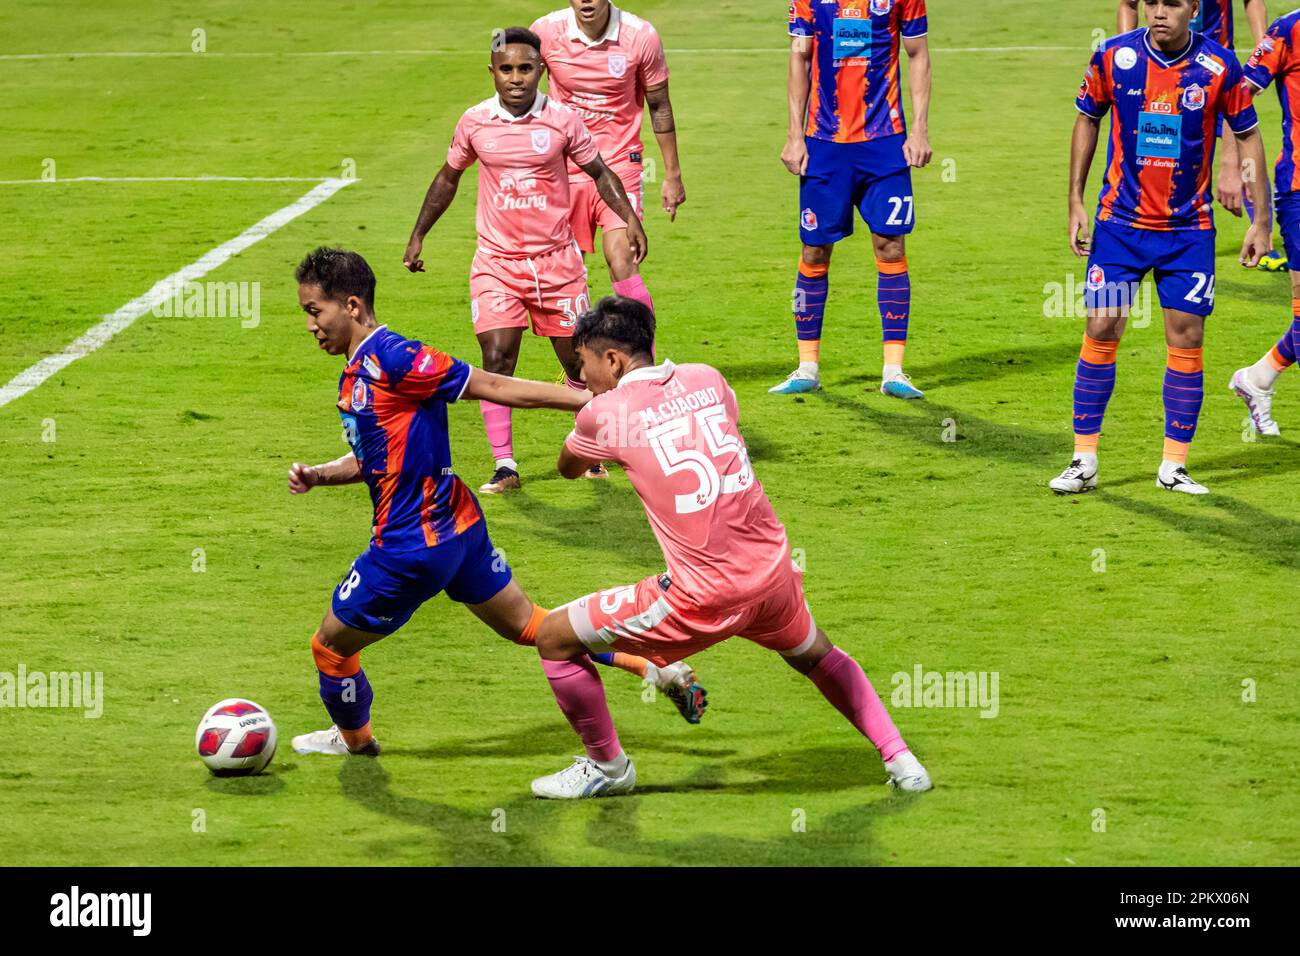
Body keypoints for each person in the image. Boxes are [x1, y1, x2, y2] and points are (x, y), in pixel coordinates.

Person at [287, 249, 705, 758]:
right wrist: (319, 475)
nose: (309, 324)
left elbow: (495, 386)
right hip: (459, 528)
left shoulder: (395, 357)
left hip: (409, 546)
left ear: (352, 306)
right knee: (534, 627)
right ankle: (654, 667)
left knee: (329, 647)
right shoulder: (359, 371)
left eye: (315, 311)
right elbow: (377, 459)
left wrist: (596, 400)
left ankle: (356, 742)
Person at [520, 295, 931, 798]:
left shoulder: (605, 412)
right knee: (817, 655)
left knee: (555, 639)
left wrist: (594, 411)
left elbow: (569, 467)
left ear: (613, 360)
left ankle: (608, 769)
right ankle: (902, 760)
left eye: (581, 366)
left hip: (701, 596)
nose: (581, 381)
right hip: (772, 574)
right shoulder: (706, 377)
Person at [403, 27, 647, 494]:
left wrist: (630, 219)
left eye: (525, 69)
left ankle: (592, 448)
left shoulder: (563, 121)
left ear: (541, 70)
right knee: (496, 360)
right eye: (506, 69)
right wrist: (418, 236)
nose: (516, 78)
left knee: (581, 368)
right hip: (497, 264)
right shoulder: (474, 122)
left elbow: (600, 173)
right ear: (492, 72)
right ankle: (505, 465)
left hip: (558, 266)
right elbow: (448, 178)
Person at [1054, 0, 1270, 496]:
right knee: (1101, 326)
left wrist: (1261, 218)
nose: (1158, 11)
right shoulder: (1112, 57)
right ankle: (1083, 459)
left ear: (1193, 9)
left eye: (1172, 3)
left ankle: (1173, 466)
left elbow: (1249, 135)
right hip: (1119, 226)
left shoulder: (1219, 66)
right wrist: (1074, 200)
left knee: (1186, 337)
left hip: (1187, 232)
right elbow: (1087, 120)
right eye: (1152, 2)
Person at [771, 0, 933, 399]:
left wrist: (920, 131)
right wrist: (794, 136)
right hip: (824, 144)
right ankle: (807, 366)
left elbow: (918, 54)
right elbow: (799, 58)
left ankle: (893, 371)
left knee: (891, 245)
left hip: (884, 142)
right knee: (814, 251)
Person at [532, 0, 684, 313]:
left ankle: (642, 358)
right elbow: (521, 92)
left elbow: (659, 106)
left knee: (622, 259)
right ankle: (579, 362)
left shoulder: (641, 35)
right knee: (565, 271)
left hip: (618, 165)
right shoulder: (545, 32)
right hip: (563, 169)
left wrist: (672, 174)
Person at [1230, 7, 1300, 435]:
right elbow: (1237, 98)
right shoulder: (1287, 30)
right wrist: (1231, 166)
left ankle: (1257, 379)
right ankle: (1257, 379)